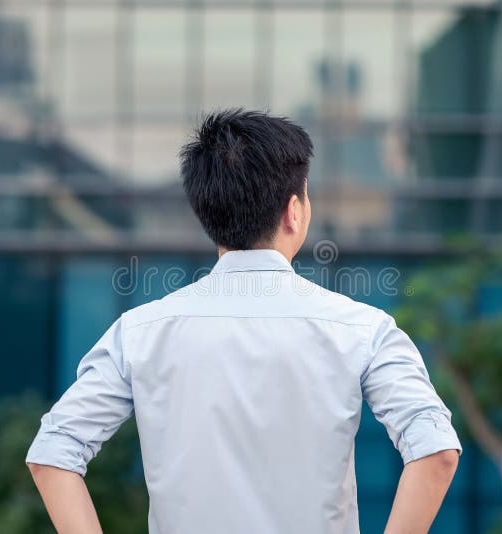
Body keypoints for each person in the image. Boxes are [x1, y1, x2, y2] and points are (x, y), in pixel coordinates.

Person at [25, 109, 463, 534]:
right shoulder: (364, 329)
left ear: (208, 214)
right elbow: (436, 450)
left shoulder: (140, 331)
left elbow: (53, 454)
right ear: (295, 210)